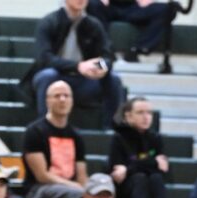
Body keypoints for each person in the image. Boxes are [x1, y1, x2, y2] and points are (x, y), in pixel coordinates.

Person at [22, 0, 123, 129]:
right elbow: (44, 58)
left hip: (85, 81)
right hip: (57, 77)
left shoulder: (94, 24)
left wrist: (101, 67)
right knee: (47, 75)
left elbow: (108, 56)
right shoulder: (49, 21)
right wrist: (78, 66)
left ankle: (111, 128)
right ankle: (45, 127)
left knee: (114, 78)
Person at [109, 96, 180, 198]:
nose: (146, 117)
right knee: (140, 177)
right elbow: (117, 173)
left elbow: (163, 169)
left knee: (155, 177)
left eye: (149, 113)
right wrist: (152, 162)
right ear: (128, 116)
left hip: (149, 187)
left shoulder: (155, 138)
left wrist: (130, 168)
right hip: (126, 192)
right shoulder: (119, 138)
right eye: (140, 112)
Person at [22, 80, 88, 198]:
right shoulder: (35, 131)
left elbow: (82, 175)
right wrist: (75, 186)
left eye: (66, 95)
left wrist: (93, 191)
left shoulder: (76, 135)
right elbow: (42, 176)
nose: (62, 99)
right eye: (57, 96)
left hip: (71, 189)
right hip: (38, 189)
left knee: (102, 194)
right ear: (47, 100)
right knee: (78, 195)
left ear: (72, 100)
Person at [87, 0, 177, 62]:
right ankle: (106, 50)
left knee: (168, 9)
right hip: (108, 6)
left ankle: (137, 49)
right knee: (93, 4)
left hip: (133, 7)